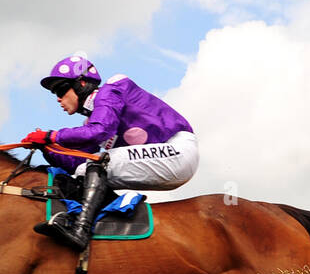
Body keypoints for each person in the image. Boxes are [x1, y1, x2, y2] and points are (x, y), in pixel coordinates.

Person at [21, 55, 198, 251]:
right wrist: (45, 147)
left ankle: (81, 230)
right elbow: (75, 162)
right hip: (165, 160)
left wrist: (52, 135)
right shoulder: (91, 122)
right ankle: (102, 220)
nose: (58, 98)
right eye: (56, 93)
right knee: (83, 170)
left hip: (178, 151)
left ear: (82, 83)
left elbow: (100, 131)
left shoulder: (111, 89)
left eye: (62, 90)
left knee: (98, 163)